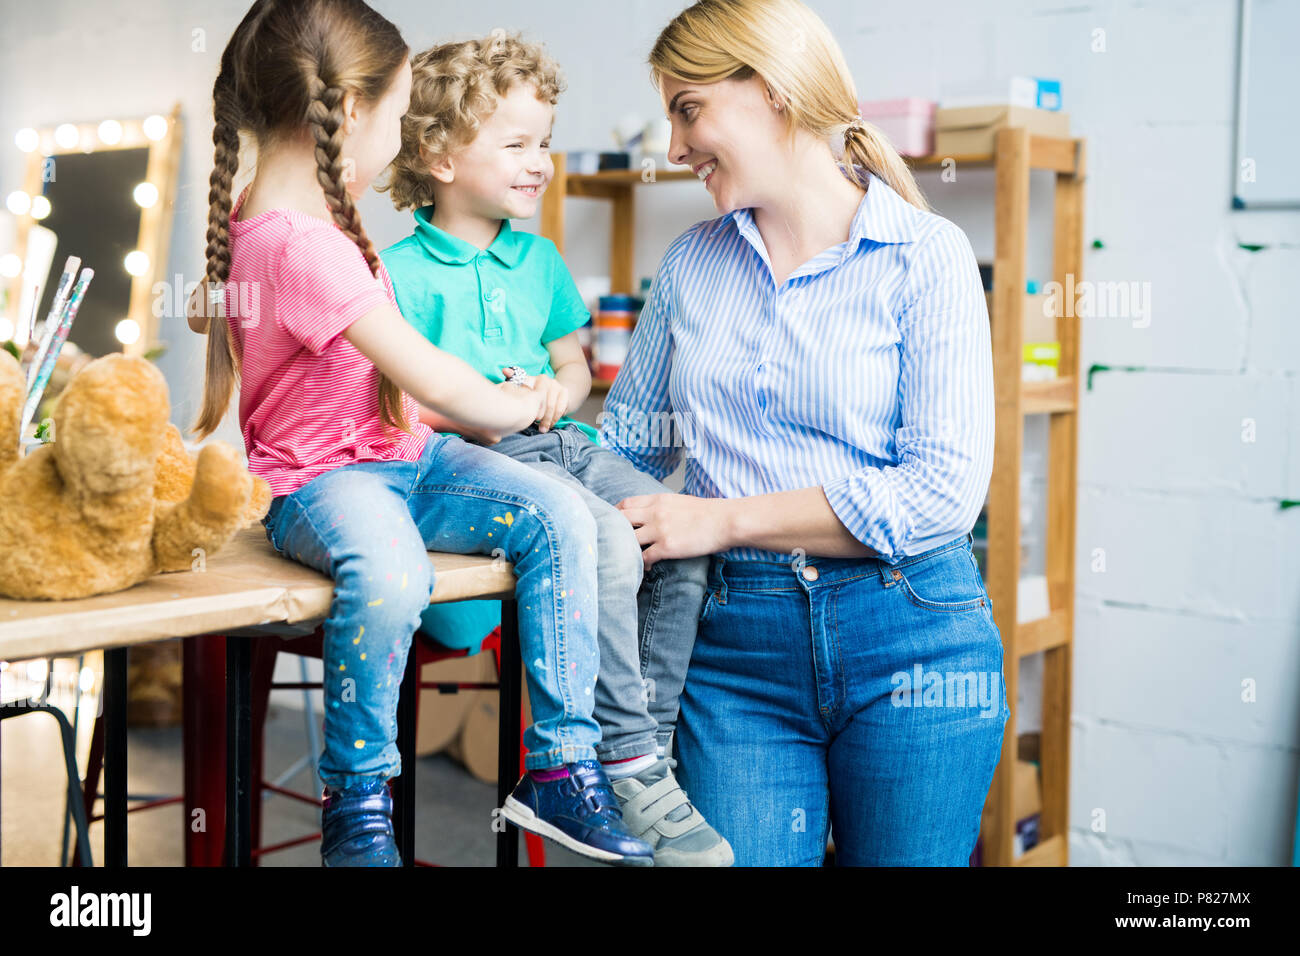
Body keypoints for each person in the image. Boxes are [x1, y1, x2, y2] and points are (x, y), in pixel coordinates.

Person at [187, 0, 652, 867]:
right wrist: (527, 401)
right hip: (321, 482)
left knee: (561, 515)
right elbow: (435, 381)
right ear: (351, 113)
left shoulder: (259, 211)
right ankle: (358, 798)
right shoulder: (304, 244)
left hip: (400, 457)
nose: (403, 141)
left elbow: (215, 310)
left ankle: (560, 766)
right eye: (400, 120)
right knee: (393, 571)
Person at [600, 0, 1011, 865]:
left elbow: (940, 494)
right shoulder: (690, 265)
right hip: (735, 650)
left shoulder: (926, 257)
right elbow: (627, 453)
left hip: (913, 637)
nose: (675, 150)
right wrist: (517, 433)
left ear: (773, 91)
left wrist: (720, 518)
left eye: (689, 109)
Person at [376, 32, 731, 866]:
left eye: (545, 141)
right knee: (606, 540)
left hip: (565, 444)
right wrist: (477, 409)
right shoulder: (394, 271)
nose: (540, 161)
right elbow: (391, 405)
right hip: (482, 466)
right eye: (517, 144)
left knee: (672, 532)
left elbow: (573, 364)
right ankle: (624, 753)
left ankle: (645, 755)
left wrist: (552, 394)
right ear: (437, 154)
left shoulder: (538, 259)